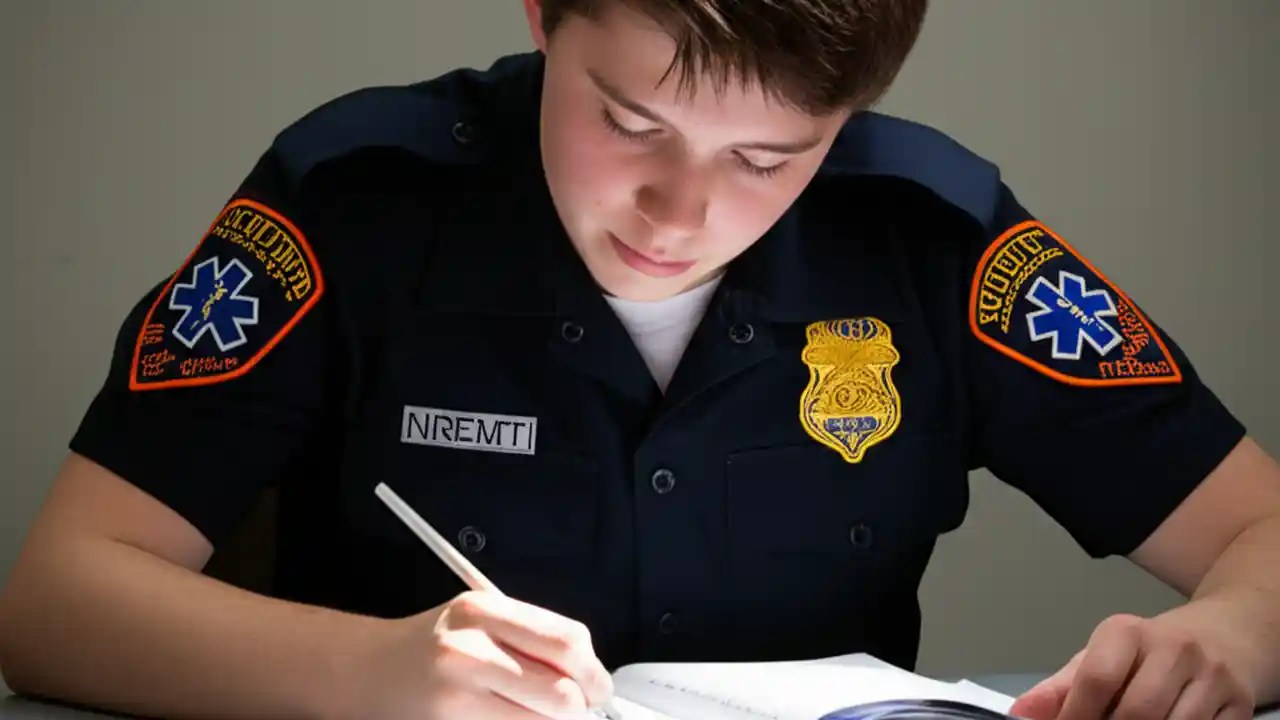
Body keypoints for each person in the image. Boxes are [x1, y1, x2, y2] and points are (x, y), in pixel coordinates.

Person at [1, 1, 1277, 719]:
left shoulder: (932, 239)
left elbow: (1258, 535)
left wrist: (1229, 630)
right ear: (542, 16)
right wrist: (376, 675)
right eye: (627, 121)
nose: (677, 214)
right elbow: (55, 607)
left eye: (768, 161)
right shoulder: (353, 201)